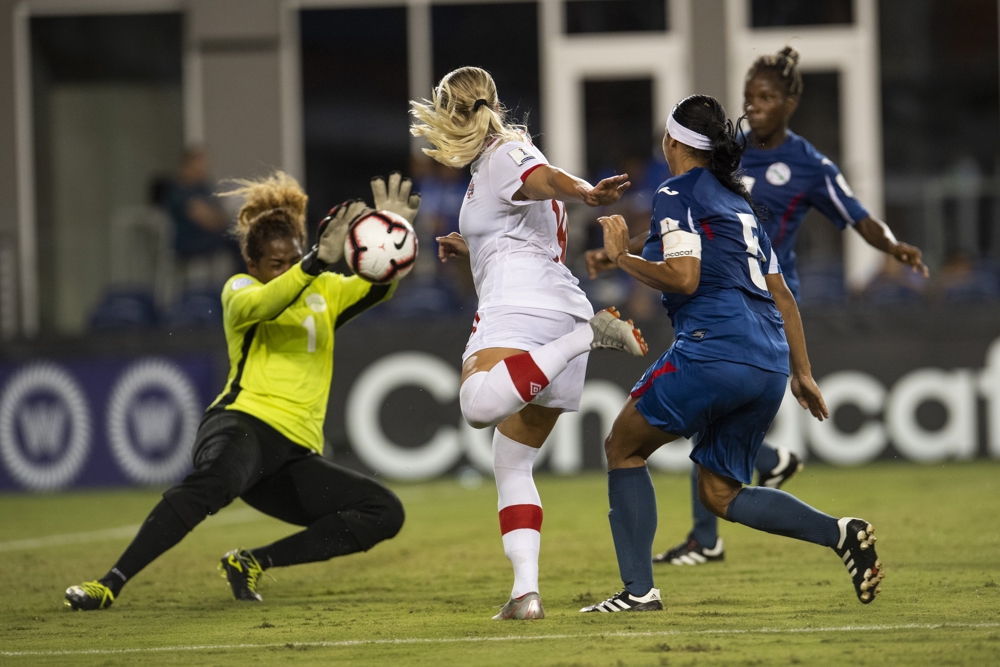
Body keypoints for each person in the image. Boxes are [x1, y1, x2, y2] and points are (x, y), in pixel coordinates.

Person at [587, 46, 927, 567]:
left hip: (714, 348)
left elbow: (683, 274)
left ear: (671, 141)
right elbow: (783, 295)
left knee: (622, 448)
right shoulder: (739, 202)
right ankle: (840, 533)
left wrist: (620, 257)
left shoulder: (676, 190)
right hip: (768, 360)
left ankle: (638, 591)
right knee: (719, 493)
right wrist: (803, 373)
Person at [65, 171, 420, 610]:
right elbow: (267, 302)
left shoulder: (324, 291)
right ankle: (109, 583)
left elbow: (378, 287)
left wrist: (394, 237)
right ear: (252, 265)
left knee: (384, 511)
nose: (287, 269)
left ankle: (251, 561)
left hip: (292, 455)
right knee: (210, 486)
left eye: (292, 260)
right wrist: (311, 263)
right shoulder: (240, 290)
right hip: (242, 427)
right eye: (277, 263)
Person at [410, 66, 648, 620]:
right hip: (553, 307)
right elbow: (526, 227)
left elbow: (541, 177)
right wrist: (473, 248)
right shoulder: (491, 164)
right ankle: (525, 594)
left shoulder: (503, 151)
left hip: (525, 311)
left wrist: (585, 190)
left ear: (454, 111)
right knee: (511, 460)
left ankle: (589, 337)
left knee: (476, 405)